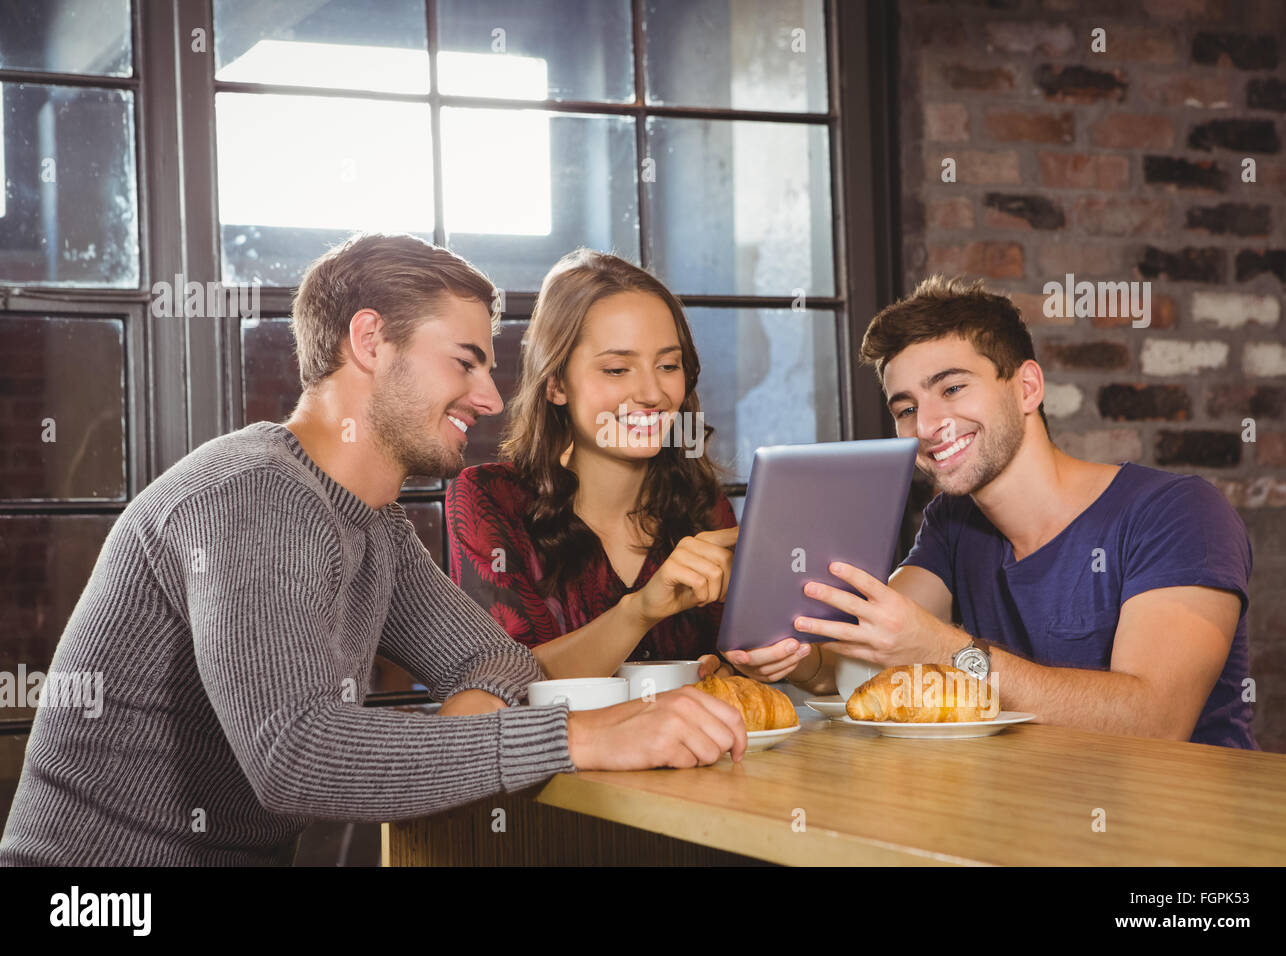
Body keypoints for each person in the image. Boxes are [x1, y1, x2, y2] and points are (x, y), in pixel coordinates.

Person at [0, 234, 746, 867]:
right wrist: (573, 737)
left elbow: (500, 661)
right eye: (465, 363)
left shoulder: (372, 523)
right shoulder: (252, 495)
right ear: (369, 342)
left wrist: (478, 733)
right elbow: (296, 756)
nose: (489, 398)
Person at [784, 274, 1255, 748]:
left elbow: (1155, 720)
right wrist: (793, 657)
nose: (927, 426)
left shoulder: (1178, 513)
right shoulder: (952, 522)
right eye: (906, 409)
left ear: (1027, 387)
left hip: (1179, 815)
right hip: (1023, 810)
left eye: (951, 389)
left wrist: (948, 651)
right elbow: (860, 655)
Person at [446, 249, 819, 686]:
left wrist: (759, 662)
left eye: (668, 365)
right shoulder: (491, 499)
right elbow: (503, 683)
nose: (651, 393)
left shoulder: (703, 508)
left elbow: (760, 666)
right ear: (556, 383)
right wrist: (639, 611)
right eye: (618, 369)